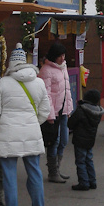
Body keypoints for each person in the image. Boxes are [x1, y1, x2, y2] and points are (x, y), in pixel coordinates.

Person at [0, 42, 50, 206]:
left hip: (8, 133)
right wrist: (33, 123)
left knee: (9, 174)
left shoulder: (3, 83)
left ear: (11, 64)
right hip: (31, 132)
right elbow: (45, 110)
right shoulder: (39, 82)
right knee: (35, 171)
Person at [39, 42, 74, 185]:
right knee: (54, 141)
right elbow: (45, 94)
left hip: (64, 110)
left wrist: (69, 109)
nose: (62, 58)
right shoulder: (46, 70)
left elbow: (67, 91)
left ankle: (57, 169)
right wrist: (50, 115)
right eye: (60, 55)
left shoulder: (63, 68)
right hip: (54, 111)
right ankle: (52, 172)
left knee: (64, 140)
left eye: (64, 55)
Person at [67, 87, 104, 191]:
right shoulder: (97, 112)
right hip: (90, 140)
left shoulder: (81, 110)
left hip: (80, 139)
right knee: (89, 160)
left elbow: (70, 124)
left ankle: (84, 182)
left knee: (80, 161)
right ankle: (92, 181)